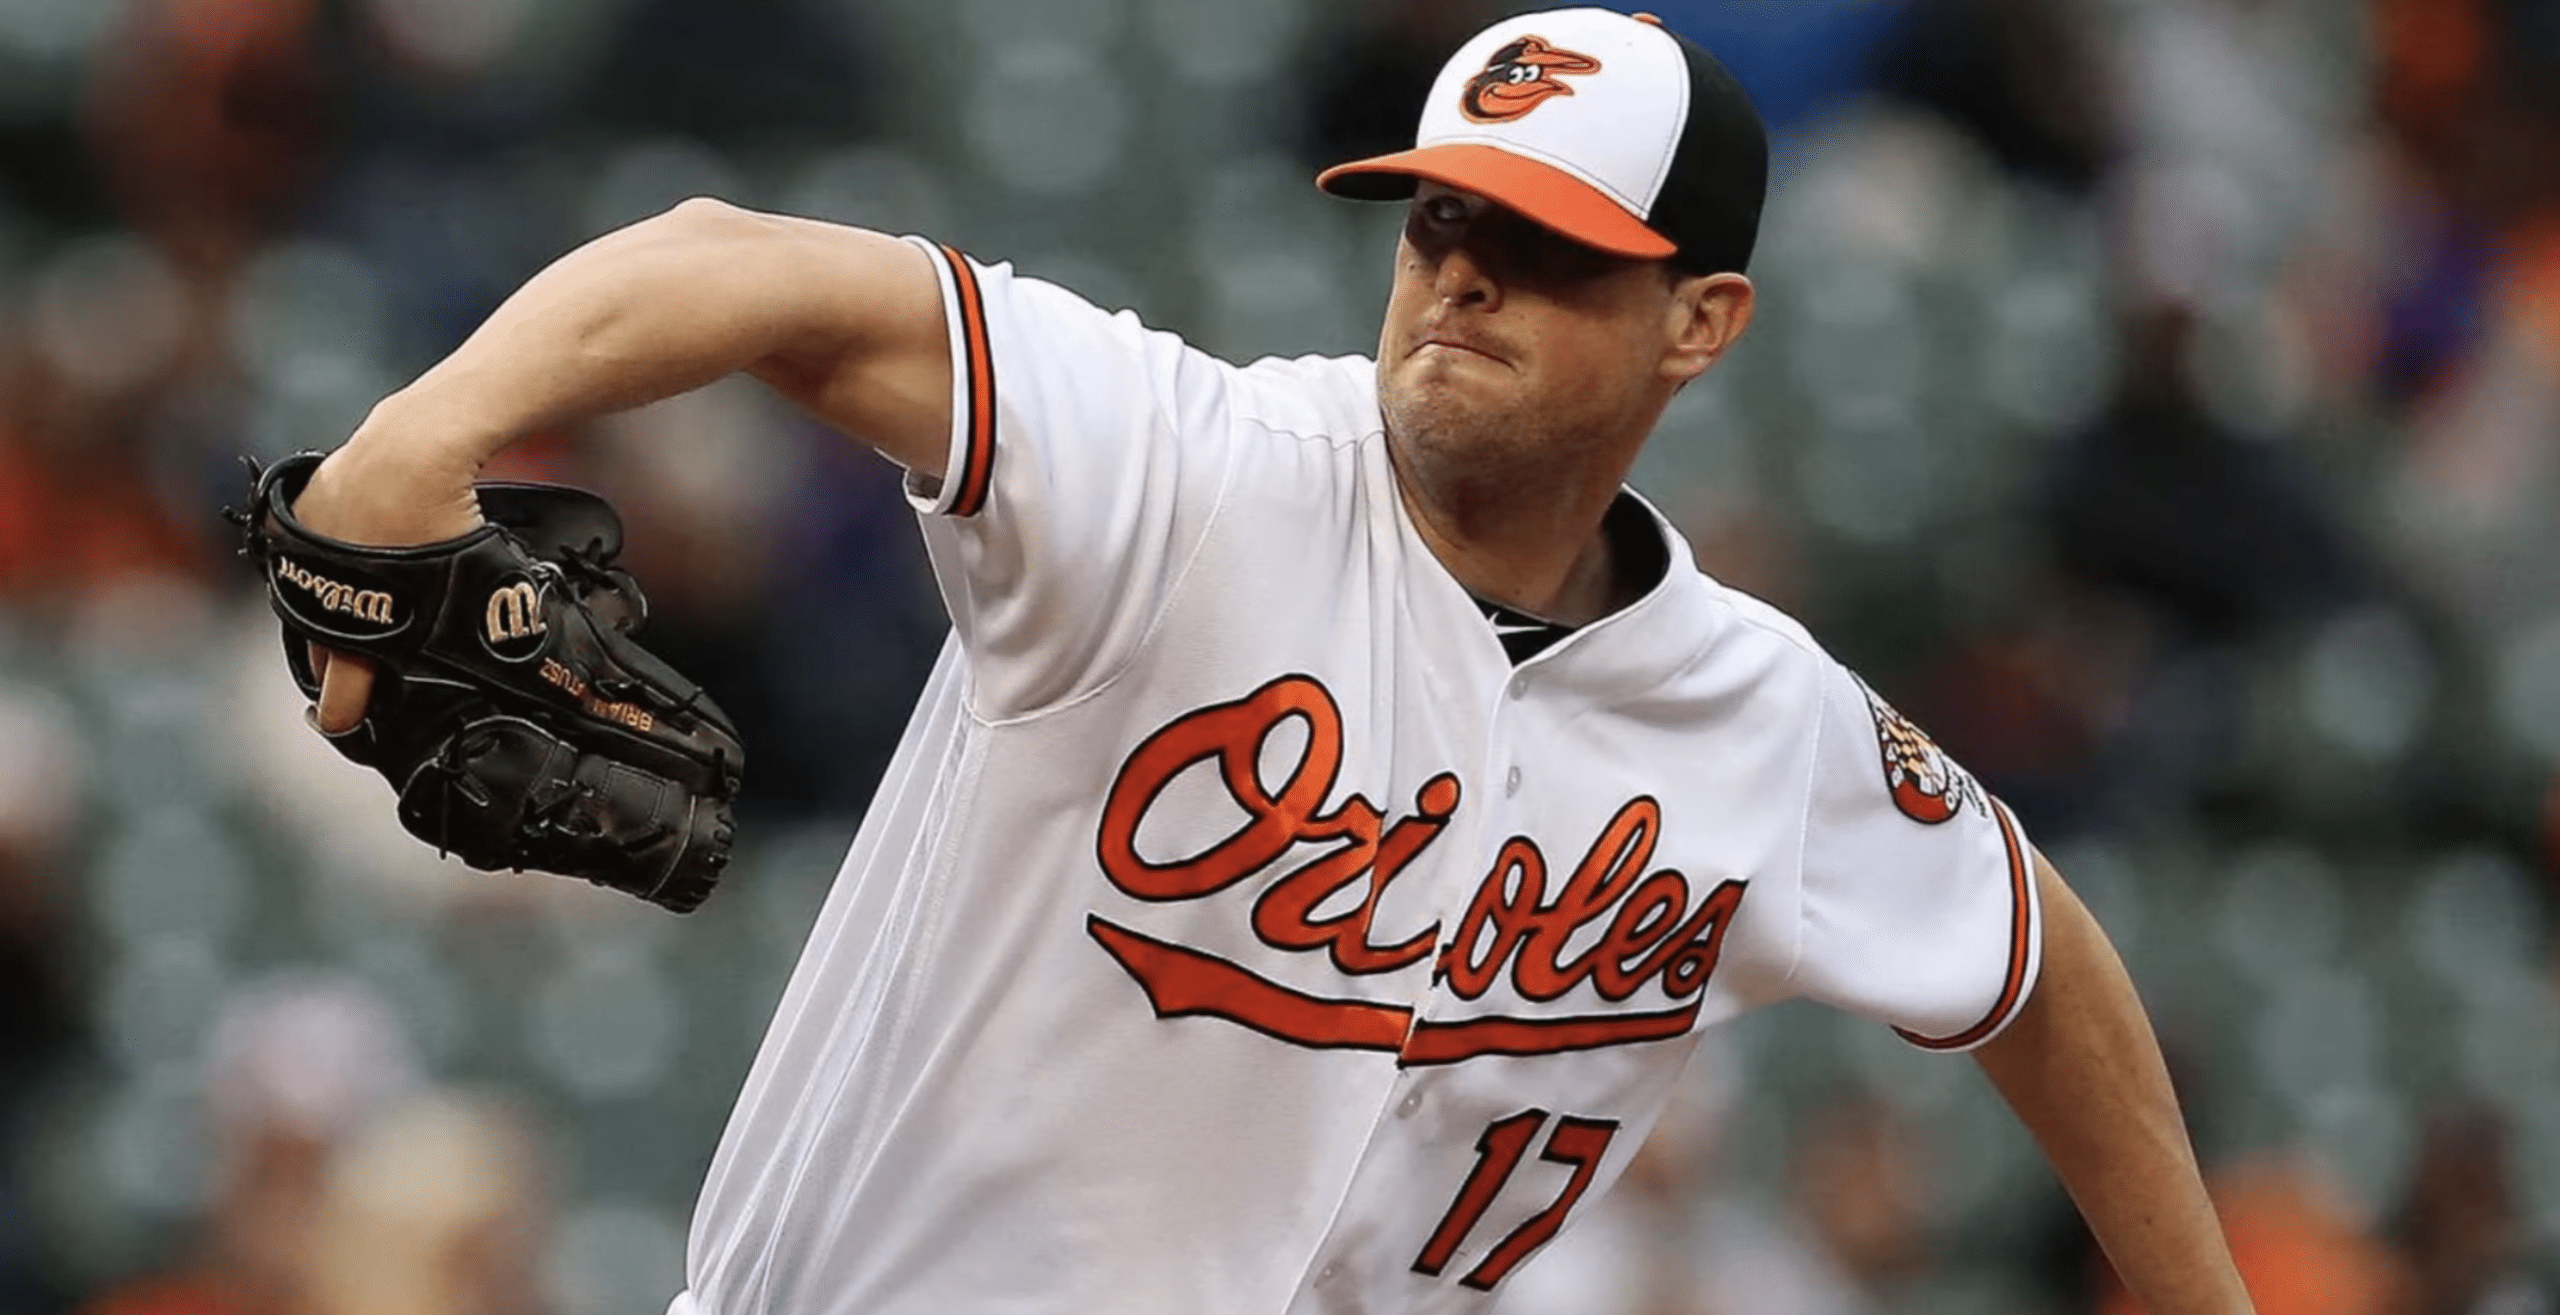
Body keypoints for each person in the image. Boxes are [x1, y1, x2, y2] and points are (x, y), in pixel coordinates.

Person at [278, 8, 2253, 1313]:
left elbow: (2035, 965)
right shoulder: (1183, 467)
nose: (1464, 267)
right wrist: (410, 444)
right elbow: (741, 262)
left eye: (1548, 240)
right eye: (1438, 218)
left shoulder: (1759, 720)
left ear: (1700, 319)